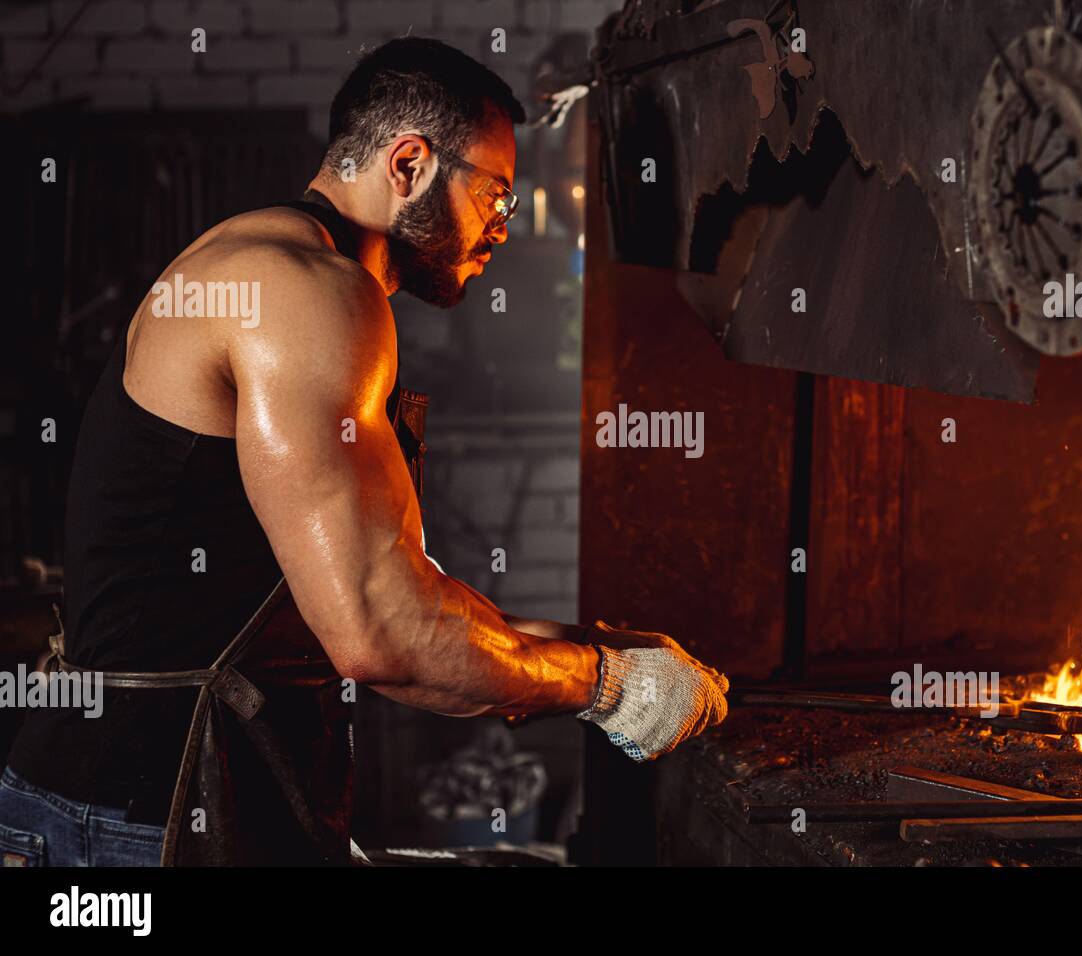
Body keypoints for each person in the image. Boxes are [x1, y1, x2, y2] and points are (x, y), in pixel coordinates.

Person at [0, 37, 728, 867]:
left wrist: (602, 643)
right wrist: (606, 686)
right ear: (410, 163)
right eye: (496, 193)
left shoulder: (264, 259)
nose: (503, 223)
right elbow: (381, 633)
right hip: (138, 819)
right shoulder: (307, 292)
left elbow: (404, 590)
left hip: (134, 801)